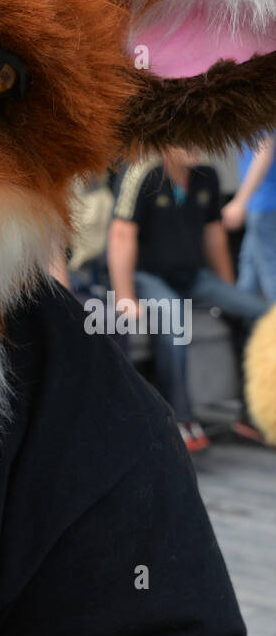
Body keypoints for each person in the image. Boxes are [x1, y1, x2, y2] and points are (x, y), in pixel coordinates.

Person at [108, 147, 267, 453]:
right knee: (173, 317)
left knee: (259, 313)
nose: (196, 145)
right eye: (187, 137)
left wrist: (228, 292)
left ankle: (253, 412)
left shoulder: (208, 174)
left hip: (194, 277)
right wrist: (124, 297)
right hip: (146, 276)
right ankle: (180, 418)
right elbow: (121, 234)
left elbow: (214, 235)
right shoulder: (143, 171)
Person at [222, 134, 276, 307]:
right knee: (249, 265)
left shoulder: (262, 118)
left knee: (270, 270)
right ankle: (240, 314)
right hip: (262, 203)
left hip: (264, 203)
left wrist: (240, 201)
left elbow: (264, 153)